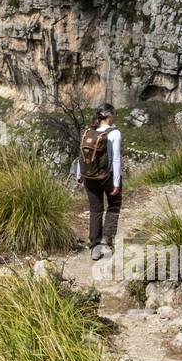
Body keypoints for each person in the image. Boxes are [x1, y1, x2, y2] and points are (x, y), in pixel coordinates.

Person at [72, 103, 123, 261]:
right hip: (107, 176)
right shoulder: (114, 133)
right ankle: (107, 240)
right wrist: (116, 183)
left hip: (89, 177)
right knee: (114, 204)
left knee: (95, 210)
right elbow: (115, 159)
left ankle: (94, 247)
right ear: (108, 116)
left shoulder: (88, 132)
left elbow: (82, 155)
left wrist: (79, 175)